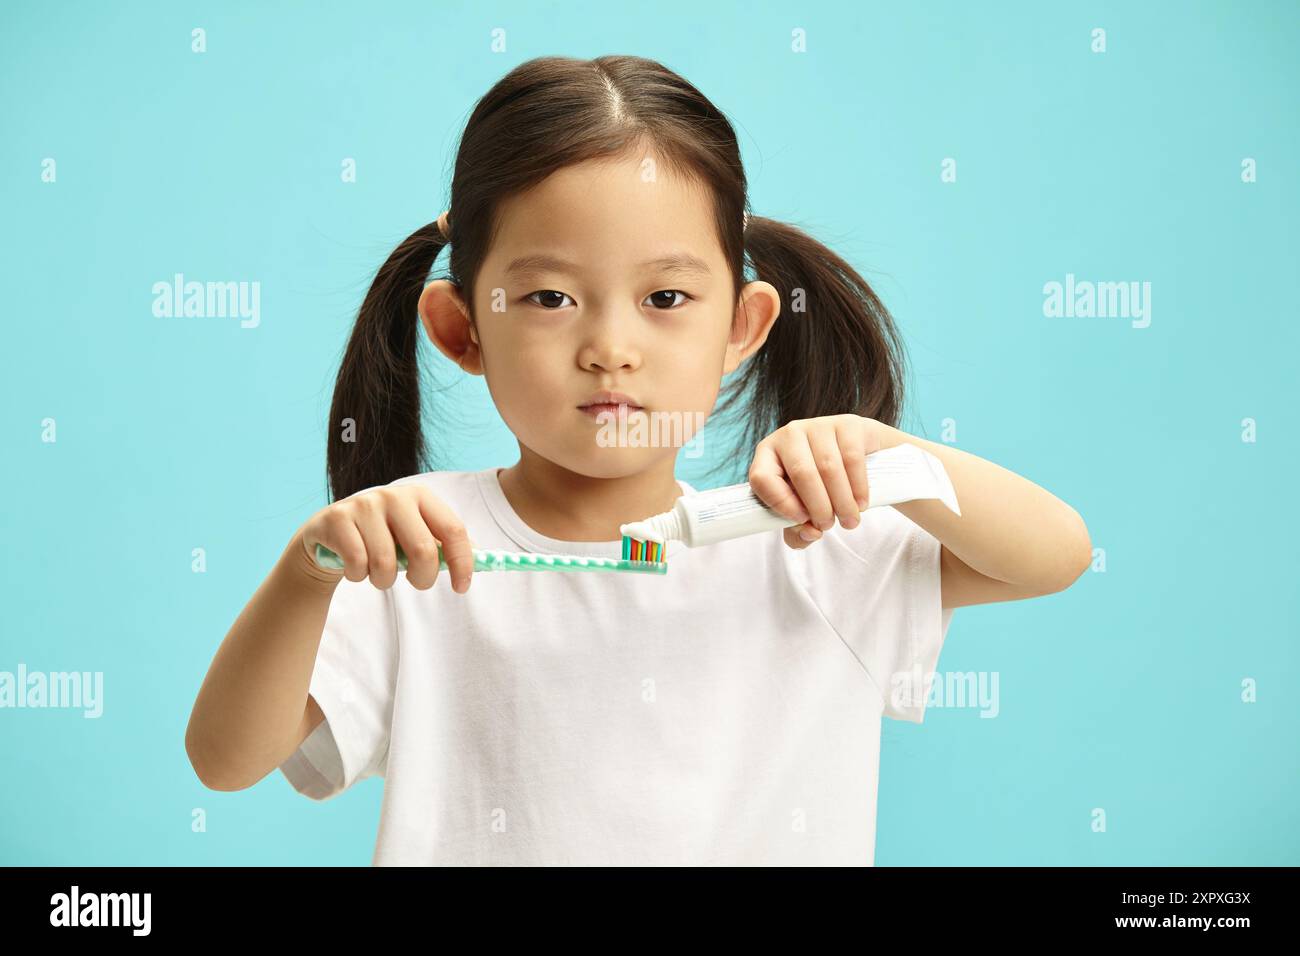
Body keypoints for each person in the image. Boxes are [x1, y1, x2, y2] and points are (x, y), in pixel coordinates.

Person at [184, 54, 1091, 866]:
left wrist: (888, 456)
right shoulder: (414, 548)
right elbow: (226, 761)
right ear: (462, 331)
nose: (610, 347)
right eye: (548, 296)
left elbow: (1057, 554)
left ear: (742, 328)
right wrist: (311, 572)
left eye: (665, 296)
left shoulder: (811, 544)